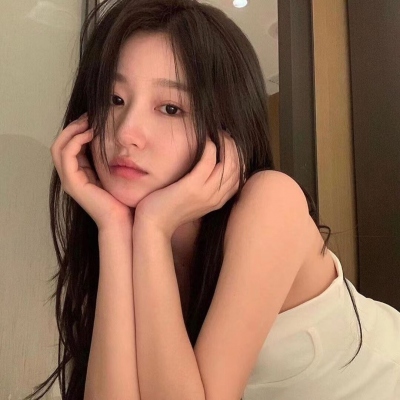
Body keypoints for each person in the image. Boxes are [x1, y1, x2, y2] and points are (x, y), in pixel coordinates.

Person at [24, 0, 400, 399]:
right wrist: (114, 229)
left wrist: (152, 227)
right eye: (114, 100)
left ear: (225, 129)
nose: (126, 132)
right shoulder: (128, 236)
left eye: (170, 108)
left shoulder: (271, 201)